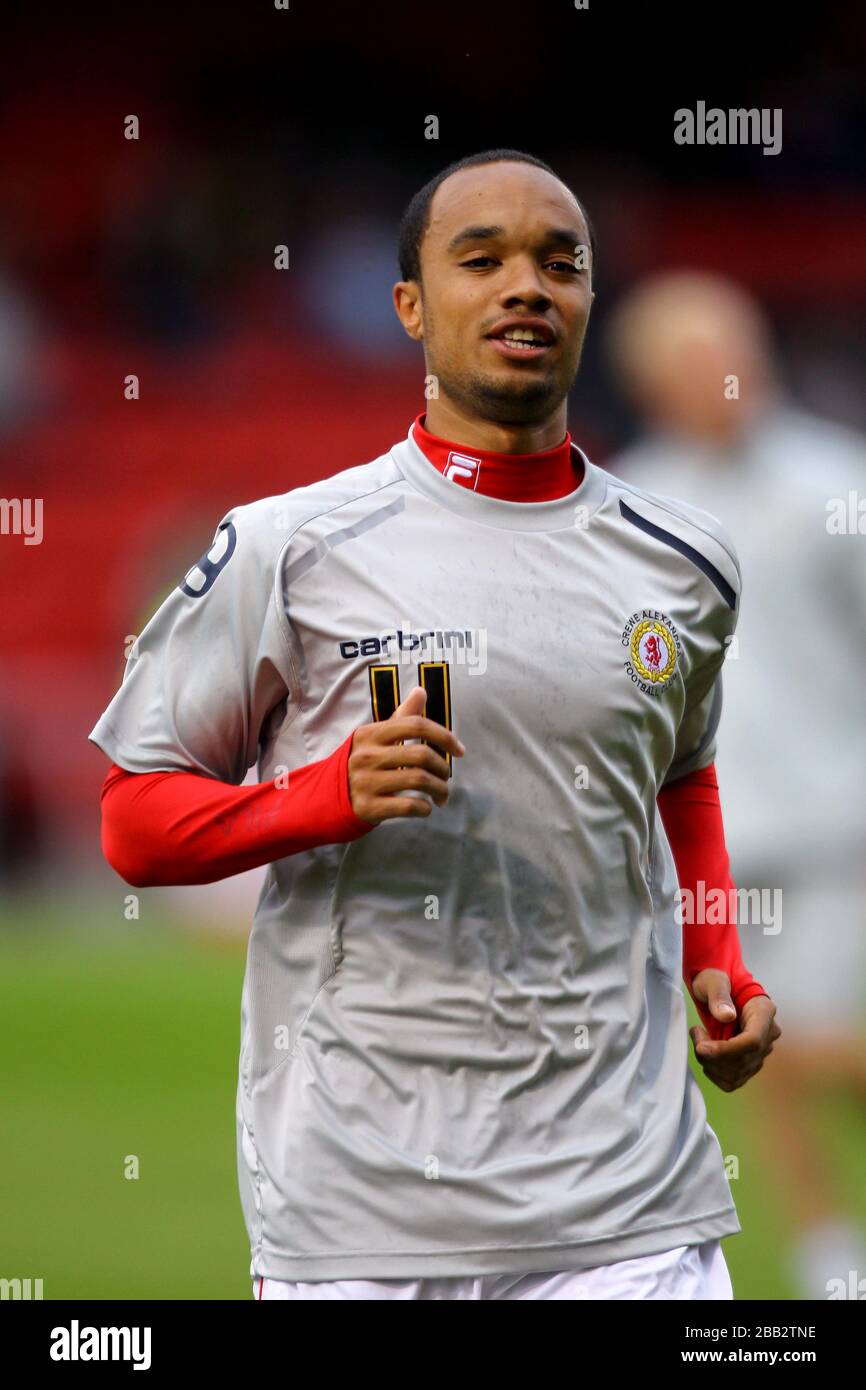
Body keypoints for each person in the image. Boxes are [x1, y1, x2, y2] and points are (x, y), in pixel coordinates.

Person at [89, 150, 779, 1301]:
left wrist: (717, 960)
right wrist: (320, 798)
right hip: (364, 1207)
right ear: (409, 305)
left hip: (624, 1202)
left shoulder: (684, 561)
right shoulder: (291, 547)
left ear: (588, 301)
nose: (526, 285)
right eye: (482, 259)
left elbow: (684, 777)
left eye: (559, 262)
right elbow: (132, 823)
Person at [605, 270, 866, 1299]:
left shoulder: (832, 481)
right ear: (651, 382)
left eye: (730, 347)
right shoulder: (630, 503)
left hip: (835, 819)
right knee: (755, 1048)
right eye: (691, 359)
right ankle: (827, 1261)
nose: (721, 374)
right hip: (712, 833)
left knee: (804, 1036)